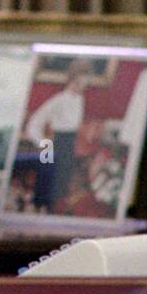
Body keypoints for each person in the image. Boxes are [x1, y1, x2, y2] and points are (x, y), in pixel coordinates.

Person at [24, 59, 89, 213]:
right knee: (47, 175)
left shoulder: (80, 99)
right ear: (73, 80)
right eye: (80, 82)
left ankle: (56, 211)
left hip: (70, 143)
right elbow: (34, 123)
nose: (83, 86)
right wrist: (43, 143)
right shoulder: (58, 100)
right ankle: (40, 208)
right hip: (55, 141)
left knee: (63, 180)